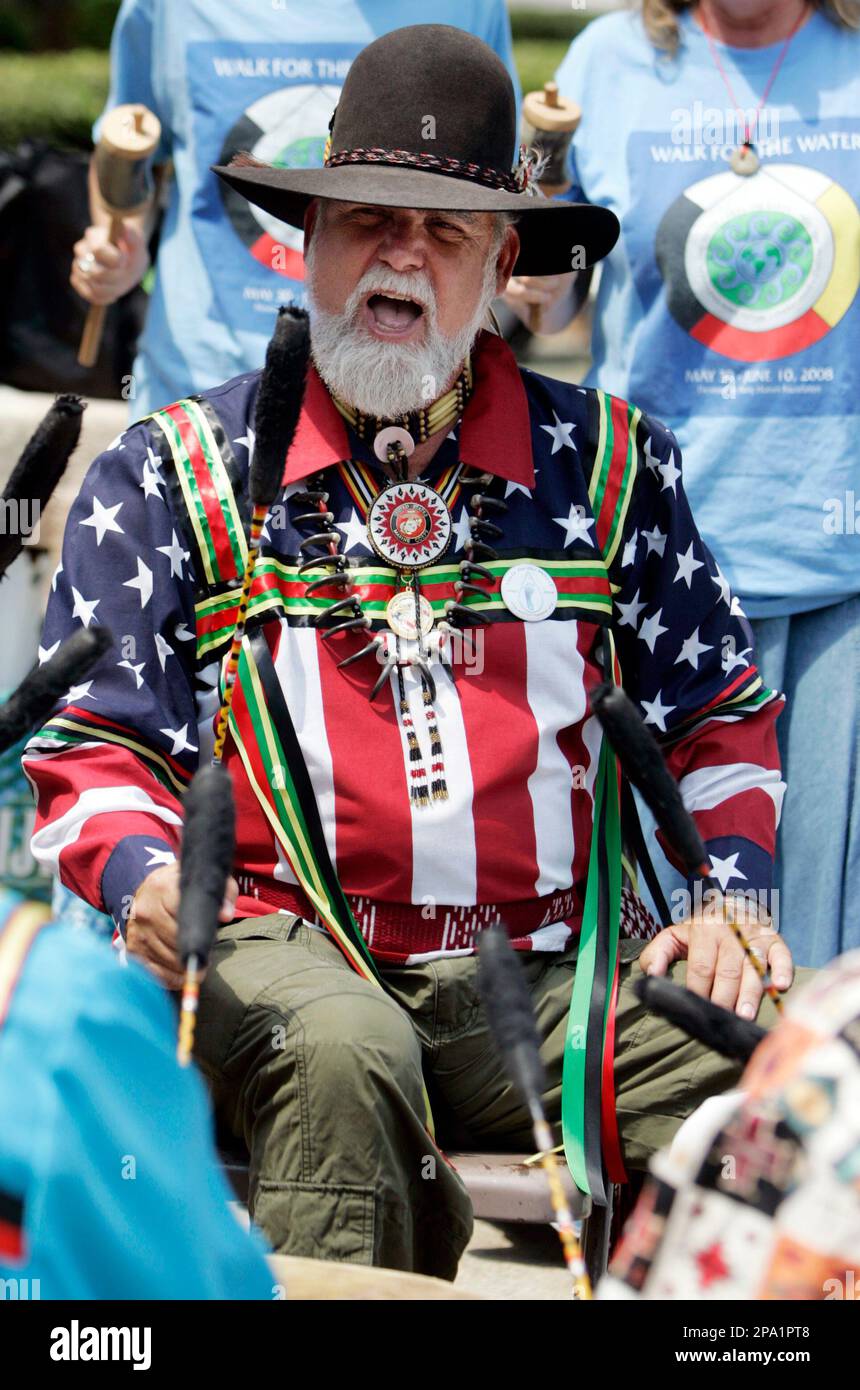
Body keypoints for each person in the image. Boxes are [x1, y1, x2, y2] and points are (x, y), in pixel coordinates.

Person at [31, 26, 803, 1279]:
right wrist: (143, 878)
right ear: (307, 238)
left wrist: (726, 897)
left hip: (550, 977)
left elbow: (714, 715)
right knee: (343, 1050)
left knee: (774, 1057)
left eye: (442, 232)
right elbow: (97, 736)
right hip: (284, 957)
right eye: (366, 221)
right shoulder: (178, 469)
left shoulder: (608, 467)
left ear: (504, 261)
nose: (399, 255)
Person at [536, 0, 860, 967]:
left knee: (822, 949)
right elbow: (551, 294)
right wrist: (531, 273)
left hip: (840, 562)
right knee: (680, 947)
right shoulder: (605, 62)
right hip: (653, 566)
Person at [70, 0, 519, 417]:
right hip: (196, 384)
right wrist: (124, 248)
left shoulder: (471, 5)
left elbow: (480, 185)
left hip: (397, 395)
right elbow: (129, 142)